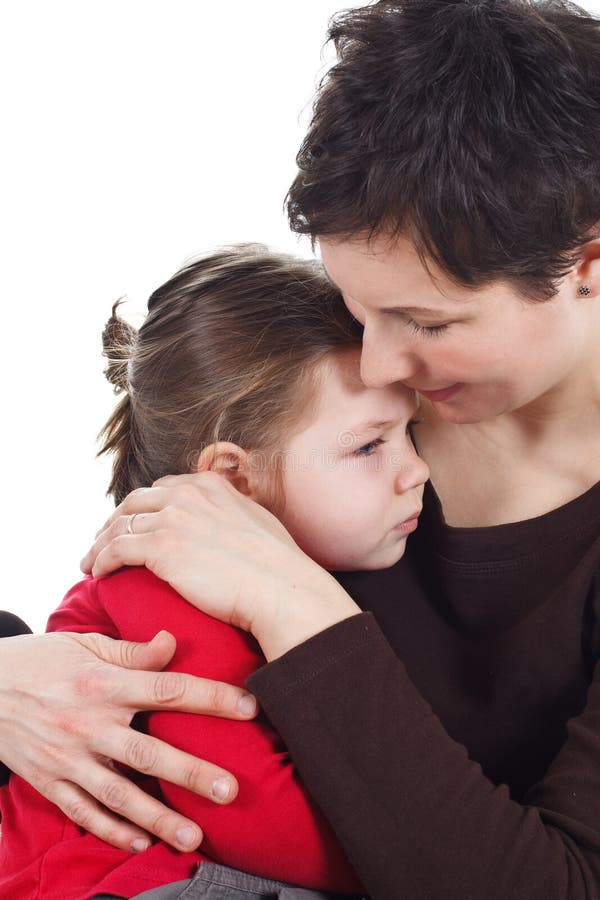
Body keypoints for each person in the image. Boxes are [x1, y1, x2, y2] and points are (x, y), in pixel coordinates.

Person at [1, 0, 600, 897]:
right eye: (361, 307)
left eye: (426, 321)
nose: (378, 360)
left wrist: (298, 606)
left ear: (587, 268)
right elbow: (120, 611)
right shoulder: (338, 386)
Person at [0, 244, 426, 898]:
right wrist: (415, 864)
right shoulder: (165, 582)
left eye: (411, 433)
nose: (416, 470)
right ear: (233, 477)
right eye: (370, 445)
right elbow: (252, 819)